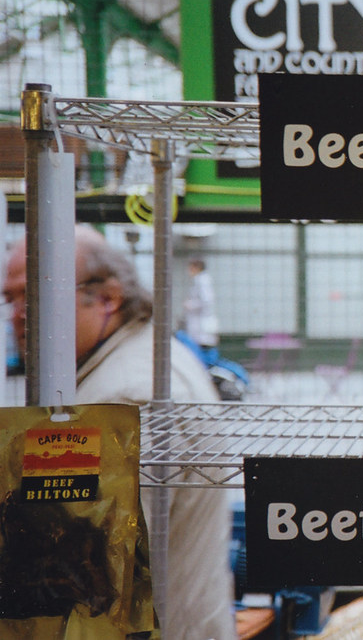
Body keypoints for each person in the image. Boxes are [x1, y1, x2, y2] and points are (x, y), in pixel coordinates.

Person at [3, 225, 237, 640]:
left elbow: (79, 572)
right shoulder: (139, 360)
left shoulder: (127, 396)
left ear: (108, 298)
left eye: (34, 294)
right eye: (12, 297)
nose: (19, 312)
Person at [183, 256, 219, 349]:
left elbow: (206, 301)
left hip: (201, 324)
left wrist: (190, 305)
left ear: (196, 267)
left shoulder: (202, 280)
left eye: (191, 267)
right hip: (198, 323)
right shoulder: (199, 280)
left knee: (201, 348)